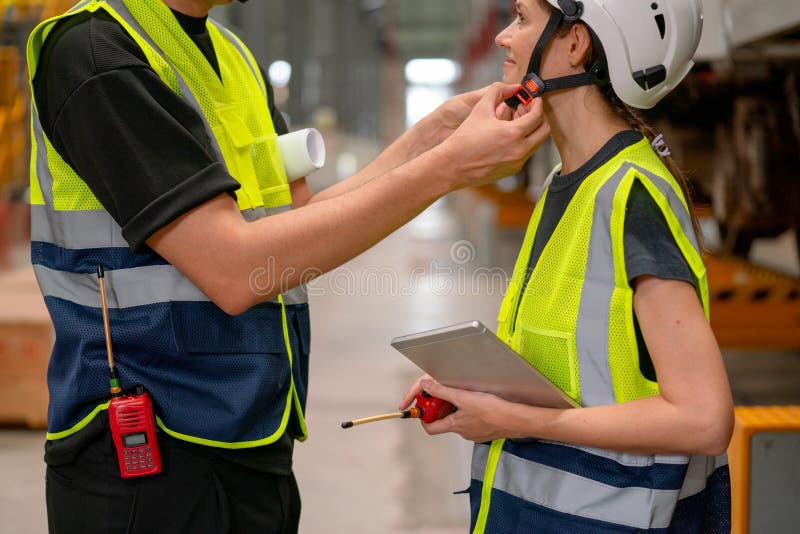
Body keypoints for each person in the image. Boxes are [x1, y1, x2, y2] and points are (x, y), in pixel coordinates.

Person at [27, 0, 551, 532]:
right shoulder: (96, 53)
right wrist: (447, 168)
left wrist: (433, 138)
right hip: (149, 452)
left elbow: (298, 227)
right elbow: (233, 270)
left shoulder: (232, 57)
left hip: (254, 431)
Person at [401, 1, 734, 532]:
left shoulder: (629, 195)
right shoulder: (568, 180)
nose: (503, 39)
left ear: (576, 44)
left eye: (522, 20)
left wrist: (519, 421)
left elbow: (705, 419)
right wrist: (476, 384)